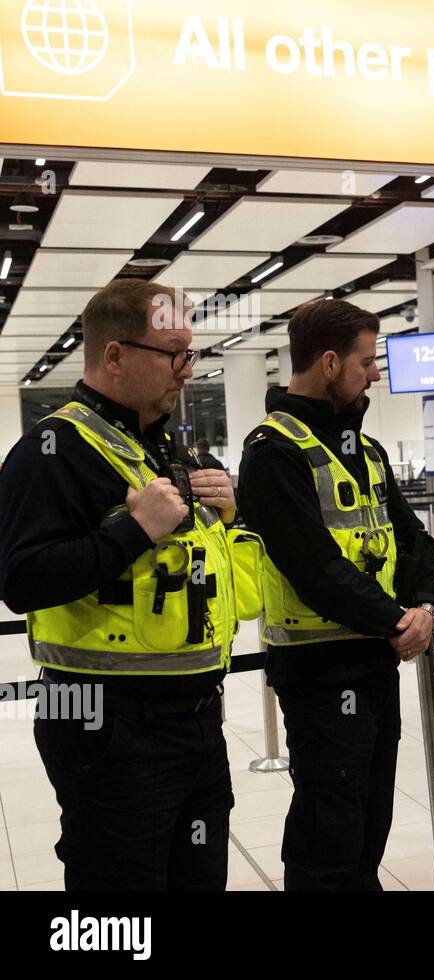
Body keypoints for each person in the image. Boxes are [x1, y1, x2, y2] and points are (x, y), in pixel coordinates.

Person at [0, 279, 243, 890]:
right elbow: (20, 579)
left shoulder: (166, 449)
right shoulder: (53, 450)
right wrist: (134, 530)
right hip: (104, 726)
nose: (186, 370)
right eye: (173, 353)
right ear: (114, 356)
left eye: (191, 353)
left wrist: (233, 518)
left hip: (194, 719)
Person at [237, 299, 434, 891]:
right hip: (319, 674)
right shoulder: (273, 452)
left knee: (369, 822)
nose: (375, 373)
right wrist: (398, 622)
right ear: (329, 363)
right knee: (329, 831)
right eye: (366, 361)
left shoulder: (367, 450)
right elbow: (315, 569)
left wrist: (425, 608)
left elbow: (412, 542)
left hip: (376, 662)